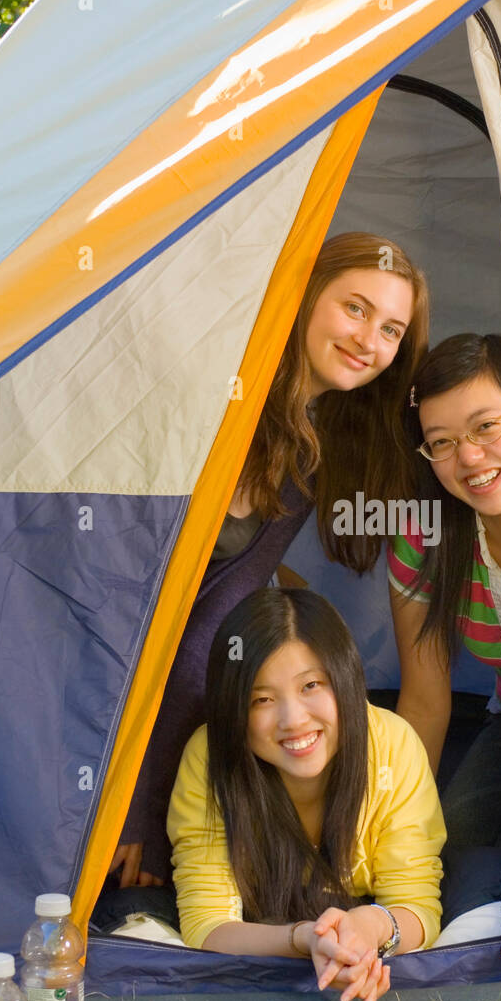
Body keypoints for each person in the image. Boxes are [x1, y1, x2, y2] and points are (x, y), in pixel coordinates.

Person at [108, 232, 430, 891]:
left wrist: (145, 810)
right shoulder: (217, 399)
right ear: (305, 298)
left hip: (159, 689)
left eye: (392, 329)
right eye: (355, 309)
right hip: (89, 666)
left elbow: (208, 634)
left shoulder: (304, 457)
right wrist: (126, 806)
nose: (370, 340)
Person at [167, 588, 446, 1001]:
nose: (293, 719)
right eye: (262, 699)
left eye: (311, 685)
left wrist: (369, 930)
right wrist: (303, 939)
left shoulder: (393, 745)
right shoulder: (210, 758)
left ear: (345, 678)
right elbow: (208, 928)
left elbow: (417, 907)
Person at [386, 333, 501, 877]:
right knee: (451, 850)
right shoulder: (423, 537)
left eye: (486, 426)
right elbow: (424, 701)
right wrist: (399, 831)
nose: (470, 458)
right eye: (441, 441)